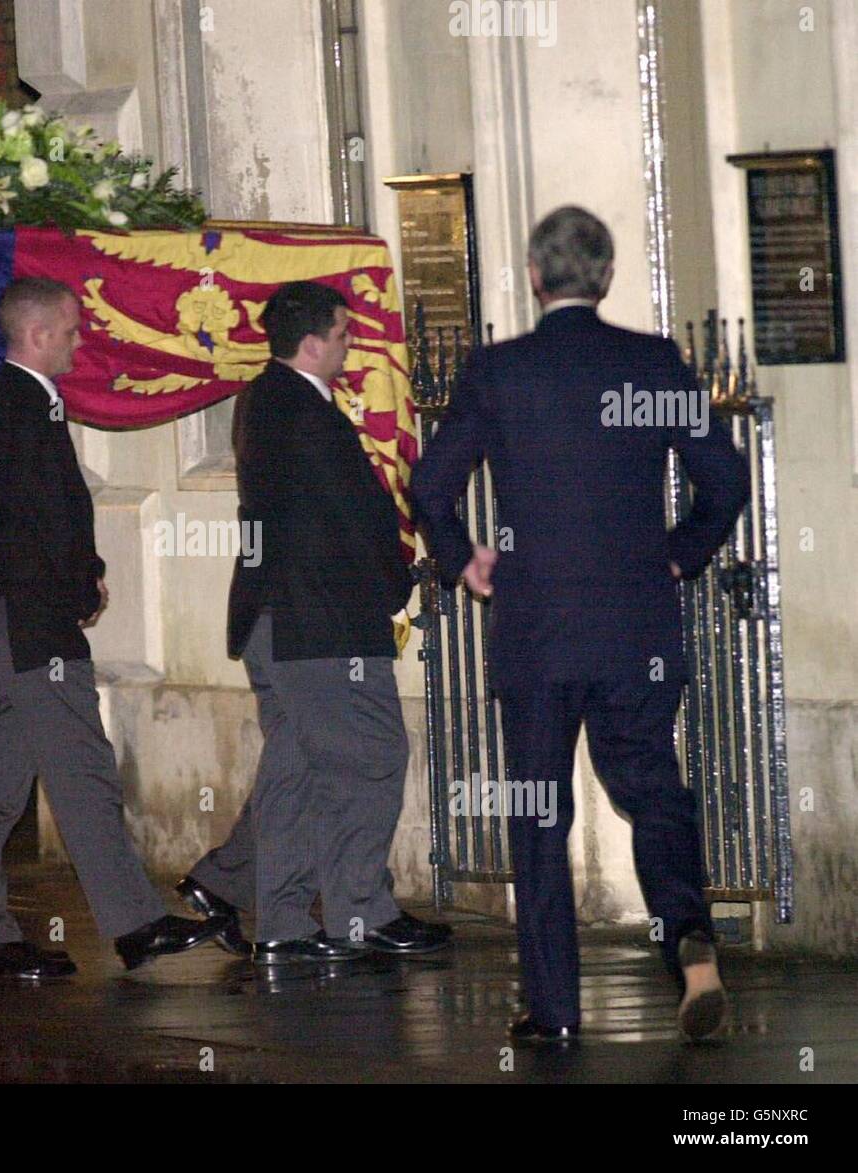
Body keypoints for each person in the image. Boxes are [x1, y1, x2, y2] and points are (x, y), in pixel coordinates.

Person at [412, 206, 750, 1043]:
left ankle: (554, 1012)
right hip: (635, 625)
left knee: (538, 814)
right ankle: (686, 929)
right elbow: (727, 481)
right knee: (651, 787)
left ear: (535, 276)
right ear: (605, 277)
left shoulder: (500, 371)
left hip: (538, 631)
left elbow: (429, 485)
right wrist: (678, 552)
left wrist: (464, 558)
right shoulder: (653, 364)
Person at [0, 277, 224, 984]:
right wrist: (80, 580)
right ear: (34, 335)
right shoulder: (21, 401)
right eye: (70, 329)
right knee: (81, 768)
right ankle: (135, 925)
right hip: (26, 617)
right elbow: (40, 515)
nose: (78, 340)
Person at [184, 280, 451, 968]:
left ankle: (279, 920)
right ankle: (359, 912)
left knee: (298, 766)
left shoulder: (273, 401)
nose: (350, 342)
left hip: (288, 615)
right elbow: (345, 519)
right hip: (318, 619)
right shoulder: (298, 410)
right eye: (341, 333)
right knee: (370, 756)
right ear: (311, 343)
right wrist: (396, 582)